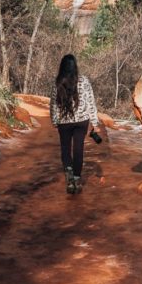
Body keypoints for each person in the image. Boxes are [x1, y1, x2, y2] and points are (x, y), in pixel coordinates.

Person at [49, 53, 101, 194]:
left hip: (64, 122)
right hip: (82, 121)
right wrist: (95, 123)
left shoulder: (58, 82)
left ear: (63, 67)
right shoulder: (84, 81)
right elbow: (91, 102)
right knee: (78, 149)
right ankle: (77, 179)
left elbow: (53, 103)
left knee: (65, 149)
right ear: (75, 67)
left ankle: (70, 177)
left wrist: (54, 119)